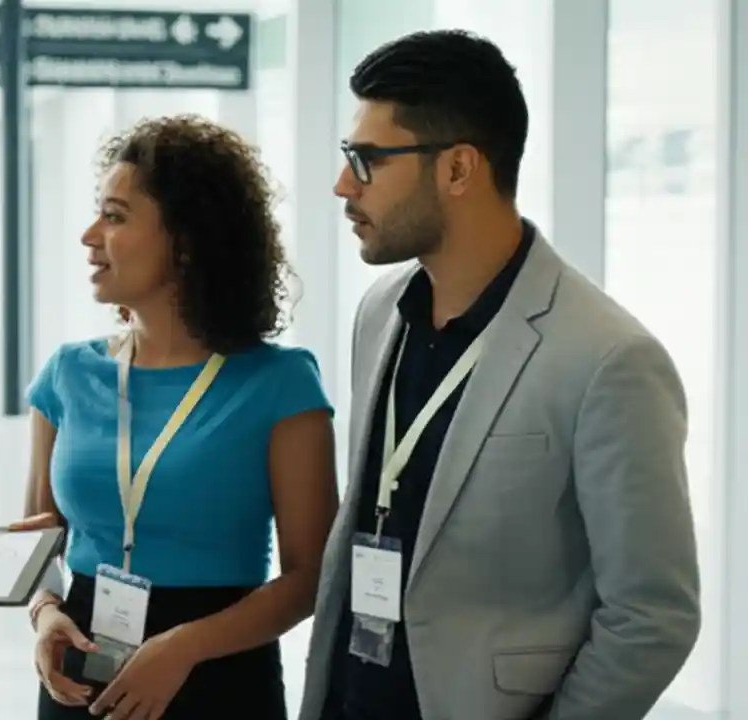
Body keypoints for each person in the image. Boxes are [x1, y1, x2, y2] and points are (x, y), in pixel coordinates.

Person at [298, 30, 701, 720]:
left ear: (458, 170)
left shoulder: (608, 358)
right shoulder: (379, 312)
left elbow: (652, 614)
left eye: (367, 160)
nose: (343, 184)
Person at [16, 115, 338, 720]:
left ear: (186, 241)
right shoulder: (67, 374)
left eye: (114, 217)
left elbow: (312, 573)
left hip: (219, 673)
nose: (89, 235)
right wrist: (45, 613)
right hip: (79, 672)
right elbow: (39, 540)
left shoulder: (280, 384)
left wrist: (185, 647)